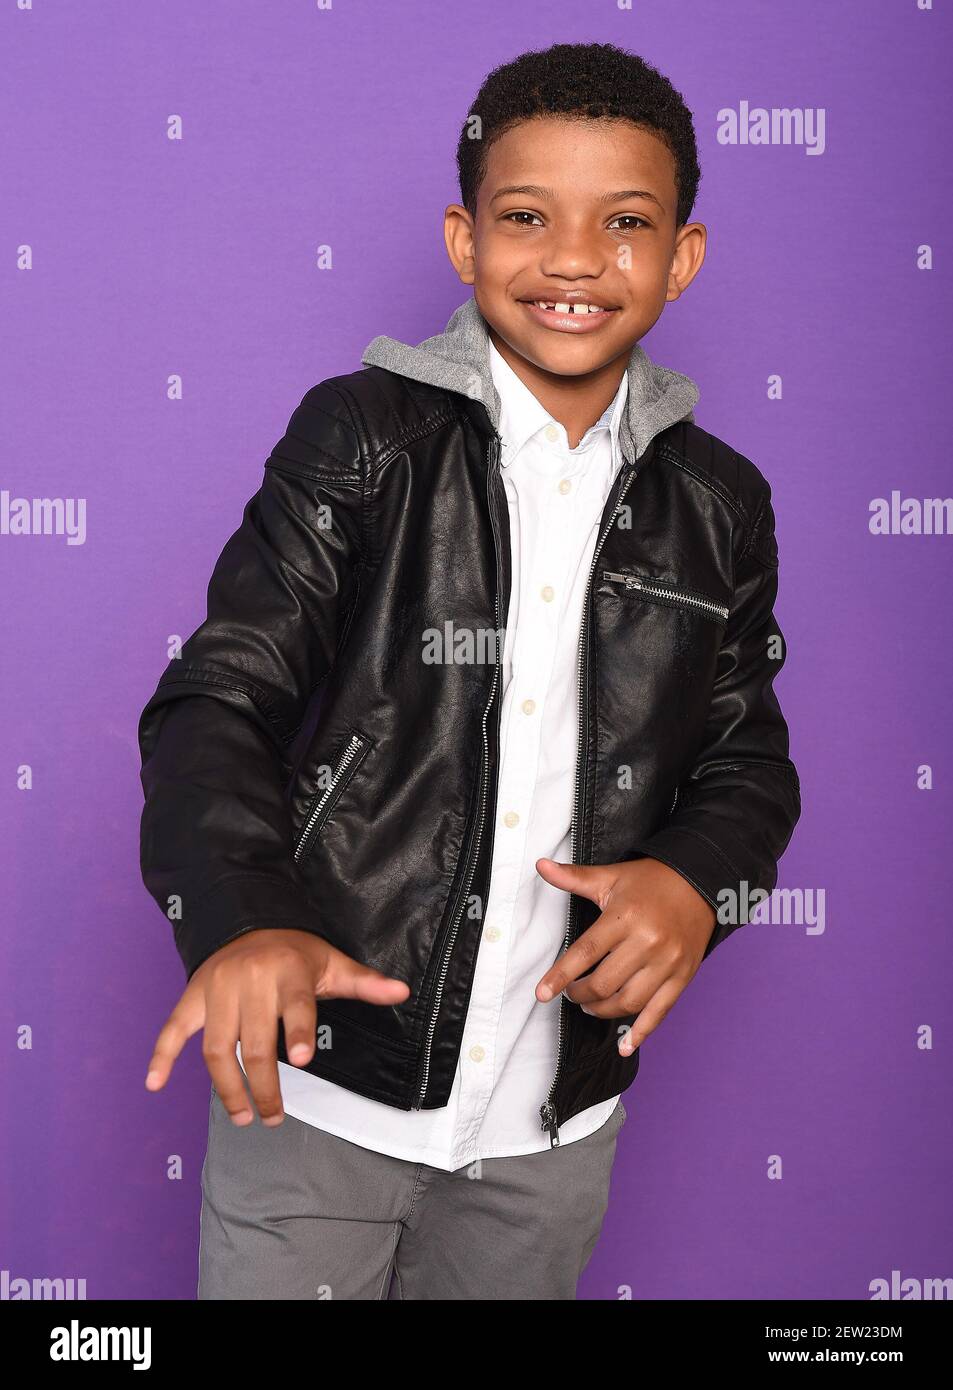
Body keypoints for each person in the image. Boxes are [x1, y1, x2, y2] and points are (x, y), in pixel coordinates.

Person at [137, 41, 800, 1300]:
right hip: (321, 1096)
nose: (568, 259)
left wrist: (694, 877)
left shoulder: (720, 504)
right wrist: (243, 917)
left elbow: (744, 760)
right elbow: (216, 699)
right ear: (462, 239)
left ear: (680, 256)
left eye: (623, 224)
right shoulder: (361, 437)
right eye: (523, 218)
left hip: (549, 1130)